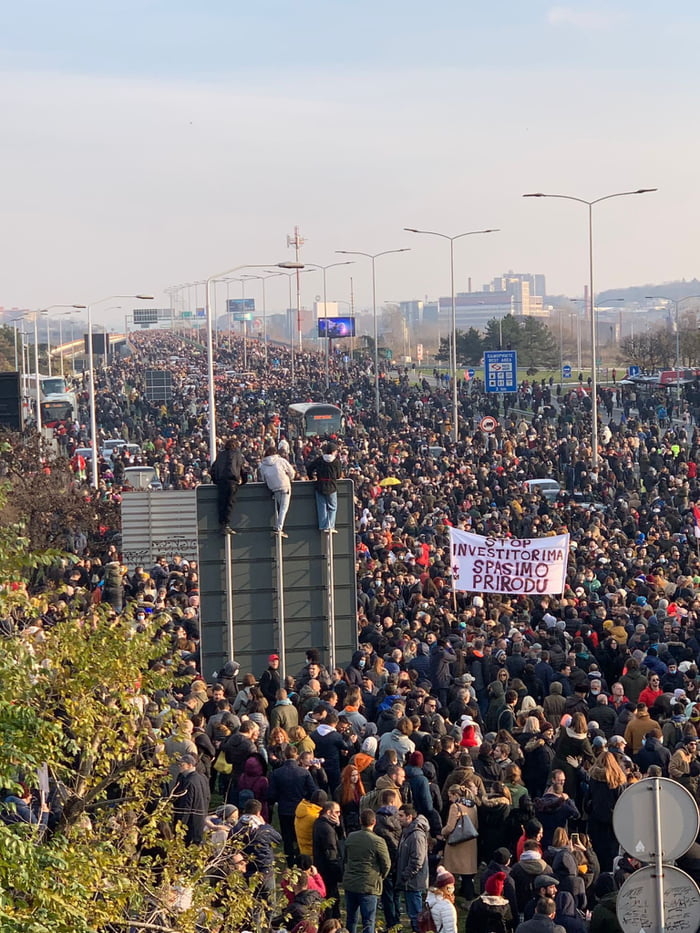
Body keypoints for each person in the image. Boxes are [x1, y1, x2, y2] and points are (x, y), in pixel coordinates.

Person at [343, 808, 391, 933]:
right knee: (368, 921)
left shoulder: (351, 837)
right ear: (374, 822)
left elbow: (345, 858)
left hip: (351, 883)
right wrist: (380, 876)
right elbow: (386, 864)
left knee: (351, 918)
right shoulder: (378, 841)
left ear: (360, 821)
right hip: (369, 885)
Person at [395, 804, 430, 932]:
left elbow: (417, 860)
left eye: (401, 816)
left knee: (416, 916)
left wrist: (405, 875)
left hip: (413, 882)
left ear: (409, 817)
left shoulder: (416, 836)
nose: (398, 818)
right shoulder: (408, 832)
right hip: (410, 881)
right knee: (413, 914)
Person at [313, 800, 344, 919]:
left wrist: (338, 826)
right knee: (332, 899)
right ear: (329, 812)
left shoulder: (319, 823)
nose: (339, 815)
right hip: (328, 869)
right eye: (337, 812)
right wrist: (338, 871)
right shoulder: (327, 829)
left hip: (321, 866)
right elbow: (331, 851)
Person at [171, 752, 211, 845]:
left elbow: (186, 806)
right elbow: (208, 797)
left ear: (189, 765)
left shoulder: (188, 781)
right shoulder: (203, 777)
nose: (179, 766)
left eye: (182, 764)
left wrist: (180, 826)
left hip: (190, 823)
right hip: (201, 818)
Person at [210, 437, 246, 534]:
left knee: (222, 503)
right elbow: (242, 469)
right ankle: (226, 525)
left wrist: (216, 481)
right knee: (229, 503)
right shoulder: (237, 455)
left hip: (221, 482)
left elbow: (213, 470)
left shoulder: (220, 455)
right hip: (232, 482)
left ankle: (223, 524)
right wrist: (243, 481)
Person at [259, 444, 296, 537]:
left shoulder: (263, 465)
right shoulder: (281, 461)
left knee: (280, 507)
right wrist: (290, 478)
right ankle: (279, 528)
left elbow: (263, 478)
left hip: (273, 488)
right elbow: (292, 472)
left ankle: (278, 526)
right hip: (285, 486)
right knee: (284, 508)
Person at [307, 442, 342, 533]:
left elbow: (309, 468)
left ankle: (323, 526)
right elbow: (338, 475)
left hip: (320, 485)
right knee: (332, 507)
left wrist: (311, 477)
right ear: (333, 451)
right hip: (332, 485)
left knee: (321, 506)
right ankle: (330, 526)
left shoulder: (319, 460)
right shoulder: (336, 462)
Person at [425, 868, 458, 933]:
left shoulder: (431, 898)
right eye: (452, 885)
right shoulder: (446, 906)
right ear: (447, 888)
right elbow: (450, 930)